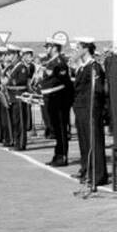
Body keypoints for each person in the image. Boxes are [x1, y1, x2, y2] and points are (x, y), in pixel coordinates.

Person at [71, 37, 109, 186]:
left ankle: (98, 174)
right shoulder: (82, 67)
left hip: (90, 108)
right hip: (81, 108)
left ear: (86, 48)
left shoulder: (94, 67)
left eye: (77, 47)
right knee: (84, 142)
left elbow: (98, 89)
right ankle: (87, 169)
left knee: (94, 141)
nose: (75, 51)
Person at [40, 32, 73, 165]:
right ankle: (58, 154)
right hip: (52, 99)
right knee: (56, 129)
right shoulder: (51, 62)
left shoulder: (59, 62)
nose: (46, 49)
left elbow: (62, 80)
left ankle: (63, 156)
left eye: (48, 46)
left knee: (61, 129)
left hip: (59, 100)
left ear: (54, 47)